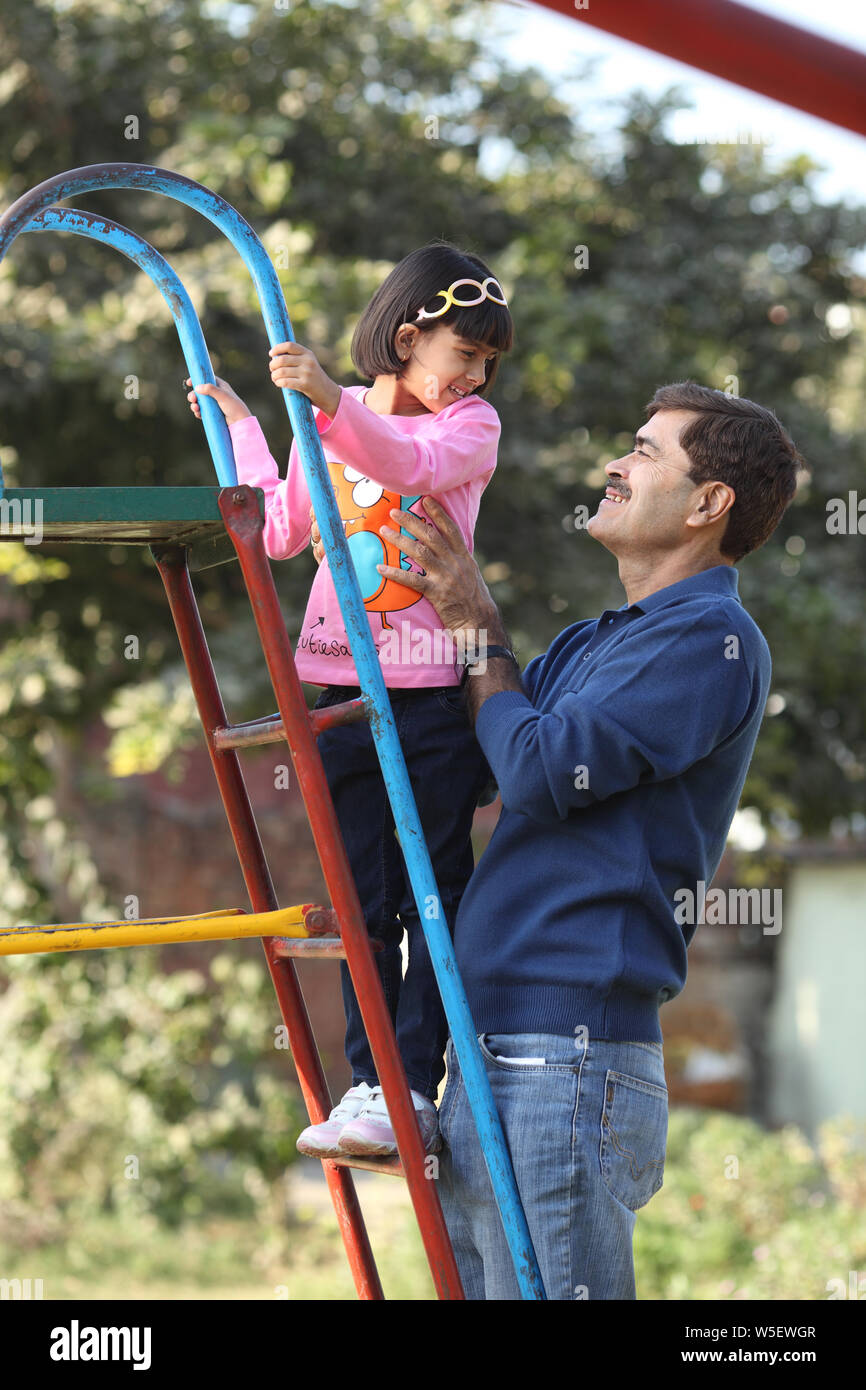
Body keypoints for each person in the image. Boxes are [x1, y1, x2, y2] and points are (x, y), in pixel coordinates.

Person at [319, 380, 804, 1298]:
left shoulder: (710, 639)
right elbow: (480, 761)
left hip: (567, 1060)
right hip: (485, 1052)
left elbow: (543, 769)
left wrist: (476, 627)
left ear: (709, 504)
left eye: (646, 453)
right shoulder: (591, 642)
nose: (615, 467)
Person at [186, 241, 514, 1158]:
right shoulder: (330, 421)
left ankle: (413, 1084)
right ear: (408, 337)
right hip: (339, 690)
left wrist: (325, 403)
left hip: (427, 700)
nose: (475, 376)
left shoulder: (467, 430)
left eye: (487, 362)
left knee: (429, 897)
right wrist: (257, 426)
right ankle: (373, 1084)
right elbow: (285, 530)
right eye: (464, 354)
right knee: (360, 900)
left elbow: (406, 468)